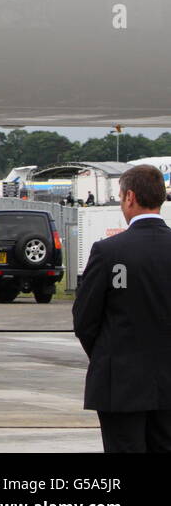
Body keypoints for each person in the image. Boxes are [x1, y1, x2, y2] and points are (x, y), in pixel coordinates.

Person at [73, 163, 171, 452]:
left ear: (129, 197)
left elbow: (85, 319)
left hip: (120, 383)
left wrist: (108, 355)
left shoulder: (108, 251)